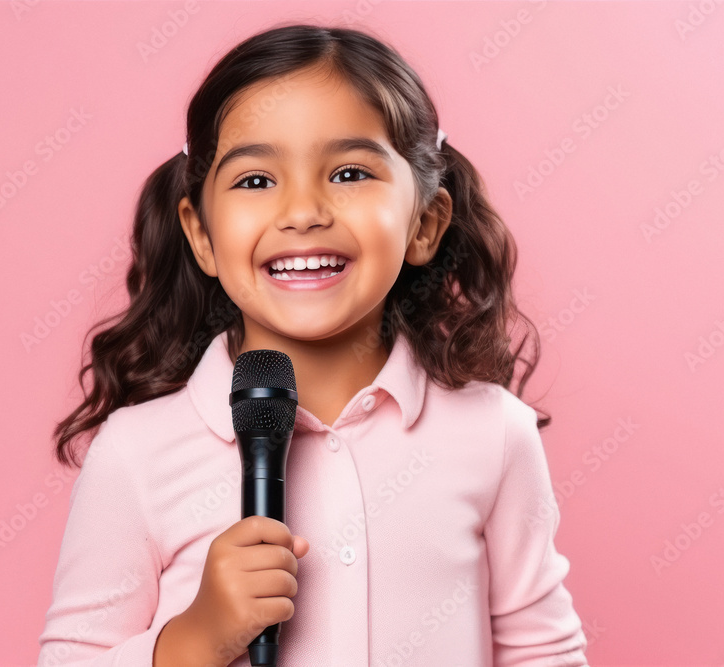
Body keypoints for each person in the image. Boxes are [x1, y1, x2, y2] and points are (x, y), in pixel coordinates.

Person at [36, 22, 590, 667]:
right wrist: (193, 639)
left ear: (425, 223)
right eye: (255, 181)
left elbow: (542, 652)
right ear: (202, 234)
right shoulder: (137, 453)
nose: (303, 211)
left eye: (350, 172)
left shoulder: (494, 432)